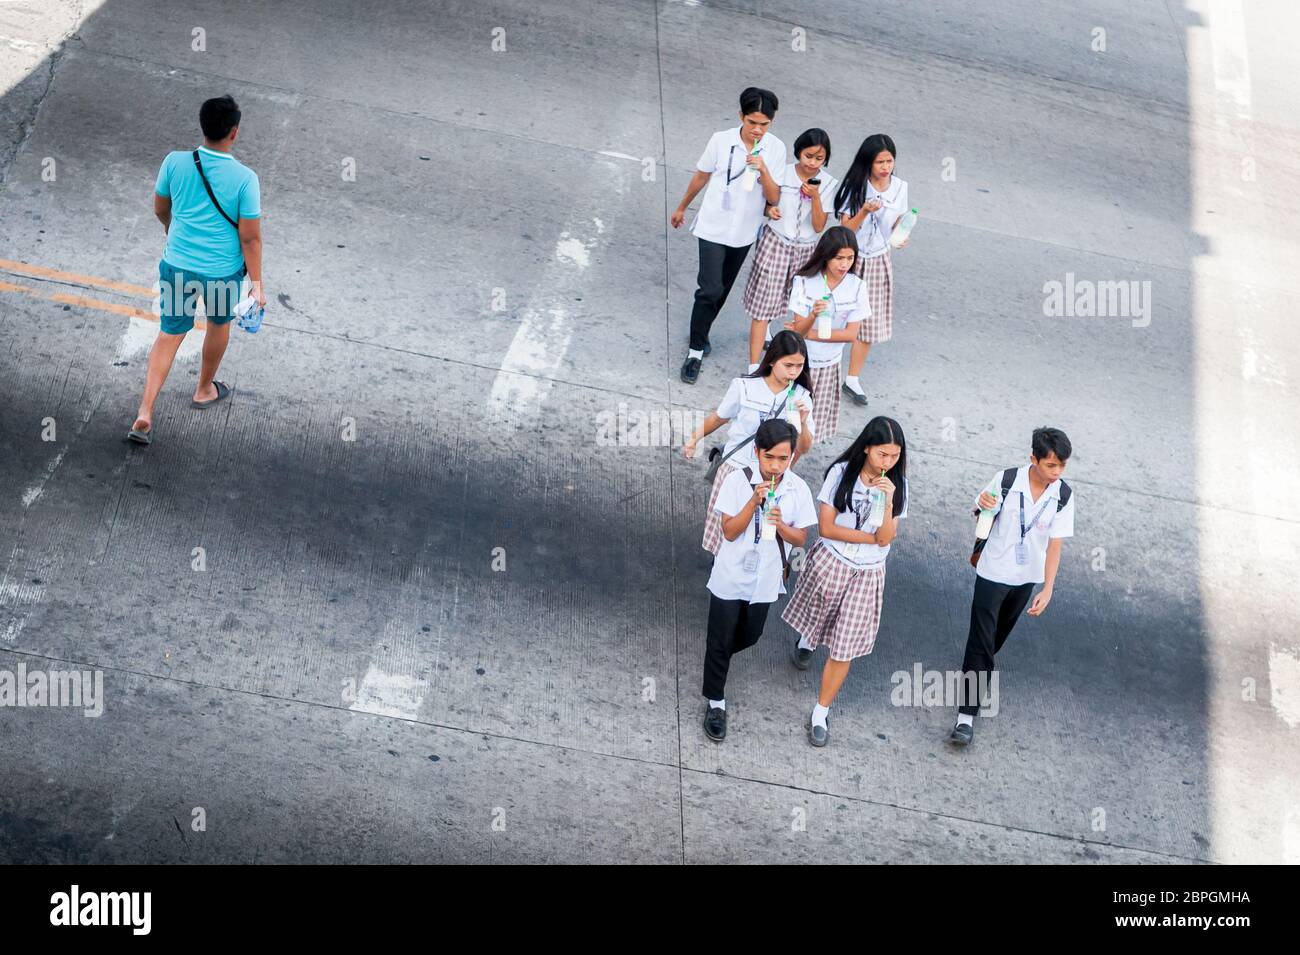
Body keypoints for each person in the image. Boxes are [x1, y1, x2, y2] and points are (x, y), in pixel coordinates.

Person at [128, 95, 265, 445]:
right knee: (218, 325)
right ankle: (204, 389)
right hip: (221, 273)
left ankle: (145, 410)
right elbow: (250, 239)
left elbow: (160, 207)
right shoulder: (245, 179)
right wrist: (257, 284)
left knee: (169, 333)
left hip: (177, 266)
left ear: (202, 126)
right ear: (234, 132)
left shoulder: (174, 162)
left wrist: (170, 229)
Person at [782, 416, 907, 746]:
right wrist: (871, 540)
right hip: (834, 561)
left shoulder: (897, 487)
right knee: (818, 617)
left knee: (844, 645)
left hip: (868, 573)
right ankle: (807, 641)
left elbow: (889, 534)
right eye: (882, 455)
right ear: (867, 448)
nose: (888, 462)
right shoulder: (841, 474)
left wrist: (890, 501)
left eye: (894, 456)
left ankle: (821, 710)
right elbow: (827, 528)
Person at [949, 427, 1076, 747]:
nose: (1056, 472)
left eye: (1061, 466)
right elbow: (981, 511)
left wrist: (1048, 588)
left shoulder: (1062, 495)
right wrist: (981, 502)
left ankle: (975, 673)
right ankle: (966, 715)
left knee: (993, 641)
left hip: (1026, 578)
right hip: (993, 572)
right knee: (980, 643)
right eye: (1051, 465)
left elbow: (1055, 545)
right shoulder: (1006, 480)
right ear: (1033, 459)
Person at [701, 419, 817, 741]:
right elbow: (728, 530)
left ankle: (719, 654)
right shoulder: (738, 481)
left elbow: (801, 537)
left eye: (784, 458)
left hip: (766, 577)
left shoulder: (798, 488)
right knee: (720, 638)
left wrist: (780, 525)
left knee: (751, 635)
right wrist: (753, 501)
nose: (776, 466)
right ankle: (716, 700)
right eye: (770, 458)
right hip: (732, 572)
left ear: (793, 456)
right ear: (757, 453)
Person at [671, 87, 785, 385]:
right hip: (713, 225)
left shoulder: (775, 148)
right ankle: (695, 349)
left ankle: (702, 330)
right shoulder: (721, 140)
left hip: (745, 231)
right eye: (752, 122)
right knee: (708, 288)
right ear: (741, 117)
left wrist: (763, 171)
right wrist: (682, 206)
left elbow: (774, 197)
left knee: (720, 290)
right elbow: (702, 175)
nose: (757, 130)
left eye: (764, 124)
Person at [683, 331, 815, 556]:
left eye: (799, 366)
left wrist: (802, 422)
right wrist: (695, 438)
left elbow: (803, 448)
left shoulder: (802, 396)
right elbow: (720, 417)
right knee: (729, 531)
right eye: (788, 365)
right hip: (738, 469)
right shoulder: (744, 386)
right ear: (772, 360)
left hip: (773, 476)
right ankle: (722, 571)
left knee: (762, 534)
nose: (794, 372)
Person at [741, 128, 837, 371]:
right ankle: (754, 367)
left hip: (806, 251)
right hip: (776, 243)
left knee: (800, 309)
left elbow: (818, 225)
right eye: (808, 156)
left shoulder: (828, 184)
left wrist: (815, 196)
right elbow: (767, 202)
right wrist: (769, 210)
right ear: (798, 153)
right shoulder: (781, 170)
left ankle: (793, 365)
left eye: (819, 159)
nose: (813, 163)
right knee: (763, 308)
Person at [833, 134, 908, 408]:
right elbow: (845, 230)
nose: (886, 167)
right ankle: (824, 367)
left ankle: (853, 377)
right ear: (869, 162)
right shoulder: (856, 186)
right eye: (880, 162)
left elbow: (899, 221)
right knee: (836, 316)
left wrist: (901, 234)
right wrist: (864, 210)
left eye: (889, 161)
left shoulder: (900, 188)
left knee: (868, 321)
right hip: (850, 257)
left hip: (878, 259)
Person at [783, 226, 868, 444]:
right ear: (826, 255)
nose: (844, 264)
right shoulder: (803, 281)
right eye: (839, 258)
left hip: (829, 367)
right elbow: (799, 333)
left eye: (850, 258)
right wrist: (813, 315)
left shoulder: (857, 287)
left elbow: (851, 334)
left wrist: (808, 332)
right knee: (785, 425)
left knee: (808, 433)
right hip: (798, 364)